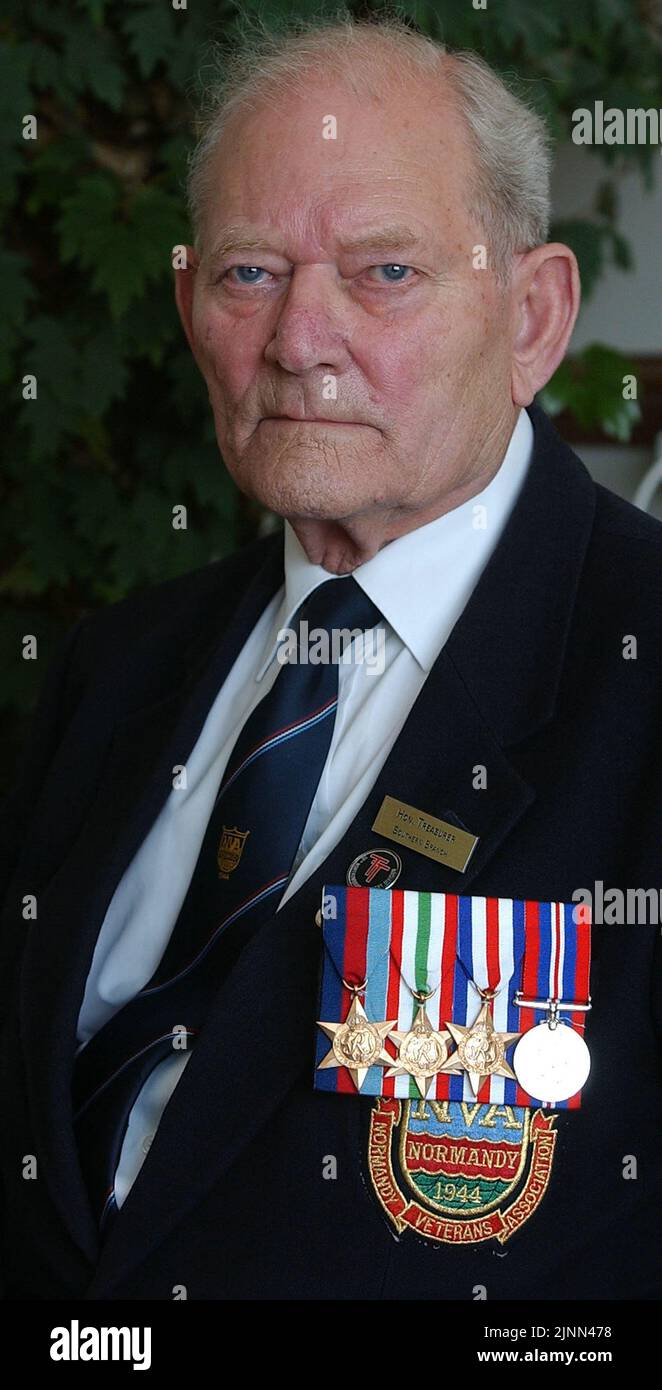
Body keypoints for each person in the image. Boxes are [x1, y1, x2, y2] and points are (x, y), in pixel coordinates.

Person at [1, 13, 661, 1301]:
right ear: (191, 305)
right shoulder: (116, 671)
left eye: (385, 273)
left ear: (534, 319)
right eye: (252, 273)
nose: (300, 341)